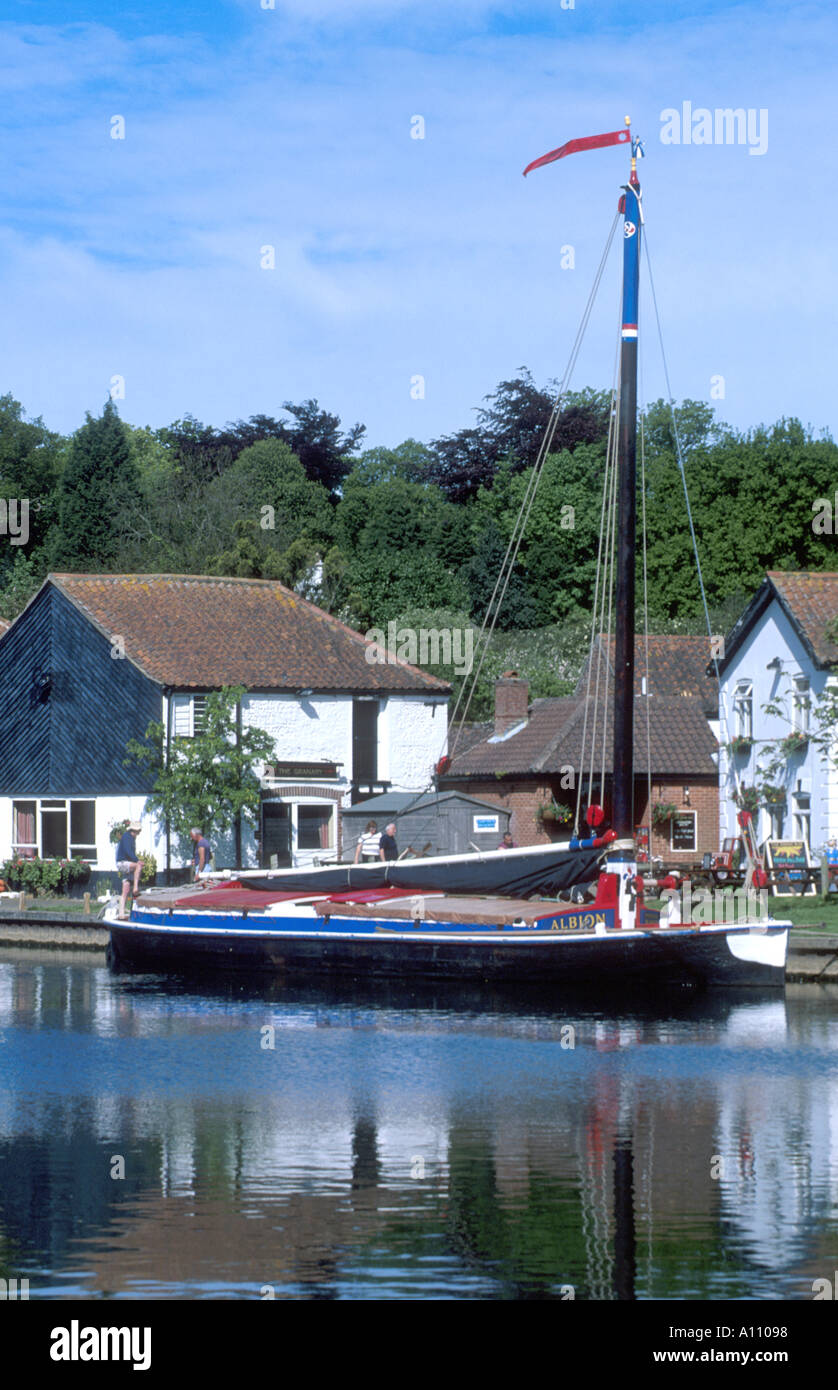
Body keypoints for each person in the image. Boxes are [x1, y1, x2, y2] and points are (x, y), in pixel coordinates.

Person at [116, 820, 142, 918]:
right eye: (138, 832)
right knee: (138, 866)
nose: (138, 834)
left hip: (125, 863)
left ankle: (121, 914)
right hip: (122, 862)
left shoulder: (130, 838)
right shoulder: (127, 837)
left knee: (126, 889)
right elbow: (128, 852)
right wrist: (137, 860)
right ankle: (135, 888)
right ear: (134, 831)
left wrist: (135, 860)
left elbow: (130, 853)